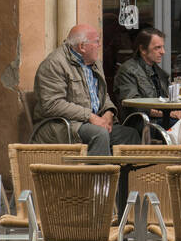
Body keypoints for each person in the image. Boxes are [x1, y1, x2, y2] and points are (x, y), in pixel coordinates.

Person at [31, 24, 141, 154]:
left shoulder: (94, 63)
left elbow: (103, 94)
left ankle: (122, 174)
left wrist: (108, 112)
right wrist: (89, 116)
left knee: (130, 134)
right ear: (82, 47)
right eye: (96, 42)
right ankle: (97, 174)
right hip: (62, 125)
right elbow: (52, 104)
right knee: (99, 134)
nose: (100, 46)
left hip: (90, 123)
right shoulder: (54, 64)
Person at [113, 27, 172, 129]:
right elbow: (134, 105)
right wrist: (168, 114)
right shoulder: (128, 70)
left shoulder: (160, 73)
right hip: (143, 123)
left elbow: (169, 100)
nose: (163, 52)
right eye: (157, 48)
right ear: (143, 50)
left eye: (162, 47)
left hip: (161, 120)